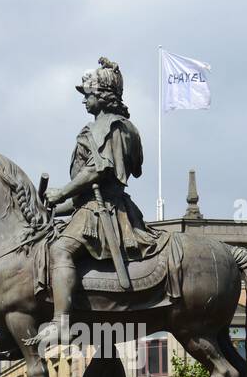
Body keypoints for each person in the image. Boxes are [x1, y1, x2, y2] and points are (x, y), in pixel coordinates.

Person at [32, 58, 163, 345]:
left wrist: (61, 192)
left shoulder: (111, 126)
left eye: (88, 95)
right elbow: (84, 193)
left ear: (103, 96)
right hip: (91, 205)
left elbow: (99, 168)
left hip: (103, 212)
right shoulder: (110, 126)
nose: (84, 101)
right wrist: (52, 207)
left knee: (60, 250)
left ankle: (61, 323)